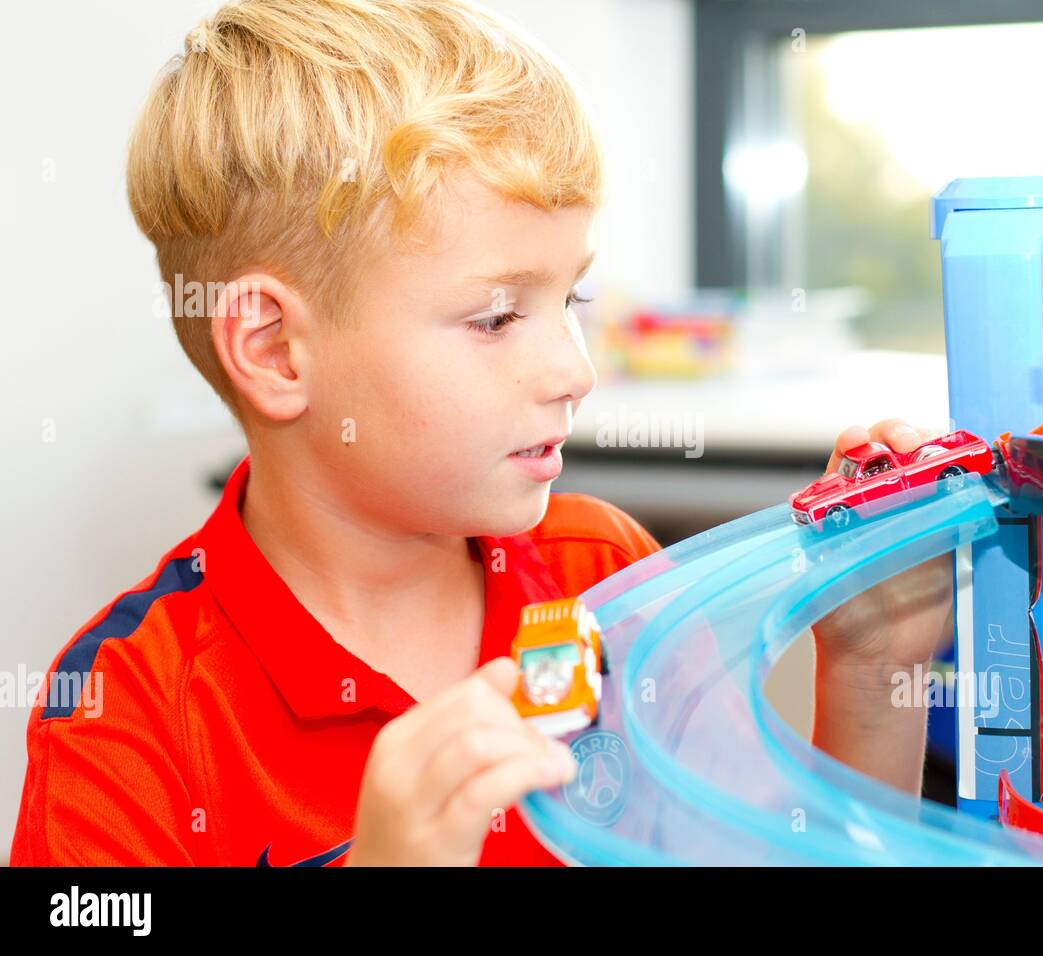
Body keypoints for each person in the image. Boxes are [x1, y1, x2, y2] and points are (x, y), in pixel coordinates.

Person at [10, 0, 951, 866]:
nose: (574, 371)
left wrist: (873, 676)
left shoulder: (604, 579)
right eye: (498, 319)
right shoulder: (120, 717)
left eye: (570, 297)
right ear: (276, 350)